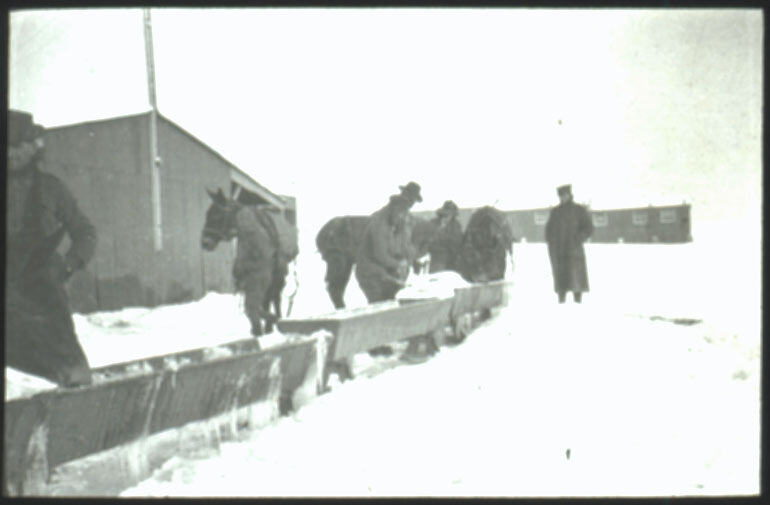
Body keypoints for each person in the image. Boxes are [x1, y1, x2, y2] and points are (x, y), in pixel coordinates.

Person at [6, 109, 97, 386]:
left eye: (18, 145)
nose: (11, 153)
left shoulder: (51, 189)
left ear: (34, 147)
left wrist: (70, 263)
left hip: (42, 287)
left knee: (64, 365)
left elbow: (85, 232)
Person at [355, 194, 413, 357]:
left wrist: (407, 258)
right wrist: (397, 264)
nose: (402, 217)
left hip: (383, 271)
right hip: (369, 272)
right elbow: (380, 254)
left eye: (404, 214)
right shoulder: (379, 223)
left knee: (389, 302)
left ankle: (383, 339)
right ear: (394, 209)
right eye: (401, 213)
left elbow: (401, 246)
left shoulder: (396, 222)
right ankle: (373, 345)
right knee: (377, 305)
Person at [544, 184, 593, 304]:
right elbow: (548, 230)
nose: (562, 198)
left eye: (564, 195)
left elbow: (589, 228)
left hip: (574, 250)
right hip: (559, 251)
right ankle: (561, 301)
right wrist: (551, 242)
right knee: (561, 278)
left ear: (570, 195)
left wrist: (580, 238)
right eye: (560, 196)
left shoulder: (579, 210)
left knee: (577, 277)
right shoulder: (555, 212)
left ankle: (578, 300)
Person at [427, 200, 463, 273]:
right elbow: (429, 239)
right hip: (437, 257)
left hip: (453, 257)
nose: (447, 217)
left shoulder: (456, 225)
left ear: (453, 215)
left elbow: (458, 240)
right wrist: (441, 228)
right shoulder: (433, 223)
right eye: (445, 214)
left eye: (450, 214)